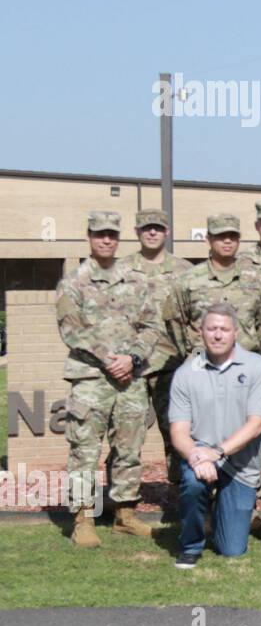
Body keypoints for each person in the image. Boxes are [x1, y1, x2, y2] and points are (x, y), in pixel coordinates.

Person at [57, 211, 164, 547]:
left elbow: (152, 327)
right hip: (91, 378)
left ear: (119, 239)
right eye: (100, 234)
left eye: (112, 235)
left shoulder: (136, 281)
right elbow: (71, 330)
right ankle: (83, 518)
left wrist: (130, 359)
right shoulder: (73, 282)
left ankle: (125, 514)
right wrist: (109, 359)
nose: (106, 239)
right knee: (84, 448)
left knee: (129, 448)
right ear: (89, 236)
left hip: (130, 378)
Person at [168, 303, 261, 568]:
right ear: (201, 332)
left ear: (235, 332)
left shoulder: (258, 367)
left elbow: (256, 425)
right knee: (193, 483)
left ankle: (219, 513)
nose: (218, 335)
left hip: (240, 465)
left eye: (224, 329)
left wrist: (218, 452)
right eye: (211, 329)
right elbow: (179, 431)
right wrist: (196, 456)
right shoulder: (185, 374)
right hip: (202, 456)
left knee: (232, 550)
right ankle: (190, 545)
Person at [120, 209, 192, 491]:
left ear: (167, 232)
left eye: (158, 228)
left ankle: (182, 496)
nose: (152, 233)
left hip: (171, 366)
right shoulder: (121, 270)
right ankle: (124, 503)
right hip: (131, 369)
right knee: (127, 436)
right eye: (147, 228)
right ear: (137, 232)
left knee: (177, 432)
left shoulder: (184, 271)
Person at [169, 214, 261, 359]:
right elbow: (176, 323)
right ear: (208, 239)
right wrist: (191, 353)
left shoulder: (257, 279)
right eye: (220, 236)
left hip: (245, 359)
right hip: (201, 360)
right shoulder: (188, 280)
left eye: (232, 236)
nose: (227, 241)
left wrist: (253, 348)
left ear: (239, 239)